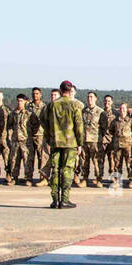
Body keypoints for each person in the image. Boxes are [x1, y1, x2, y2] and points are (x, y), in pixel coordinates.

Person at [48, 80, 84, 209]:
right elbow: (79, 126)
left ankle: (55, 200)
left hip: (56, 142)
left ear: (60, 90)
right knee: (67, 170)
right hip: (70, 143)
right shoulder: (75, 105)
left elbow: (43, 120)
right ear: (70, 91)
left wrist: (50, 136)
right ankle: (65, 199)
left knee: (56, 170)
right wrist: (80, 143)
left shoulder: (52, 105)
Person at [79, 91, 106, 187]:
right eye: (88, 97)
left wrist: (100, 138)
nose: (89, 99)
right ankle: (84, 178)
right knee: (83, 161)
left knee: (97, 161)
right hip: (84, 140)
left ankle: (99, 179)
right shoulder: (83, 111)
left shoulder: (100, 112)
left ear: (95, 99)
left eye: (91, 97)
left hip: (95, 141)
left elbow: (104, 127)